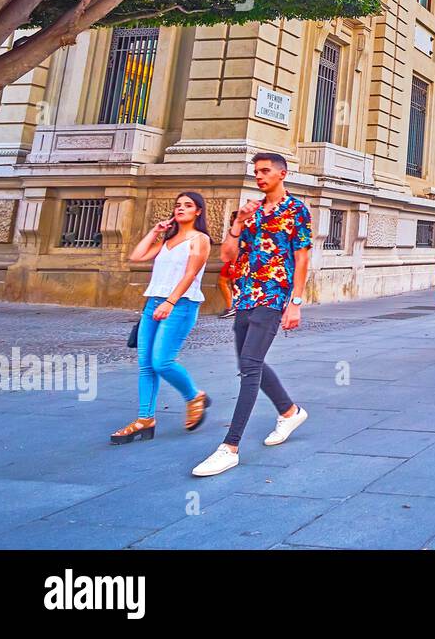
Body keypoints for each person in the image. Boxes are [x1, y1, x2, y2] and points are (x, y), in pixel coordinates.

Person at [193, 153, 310, 477]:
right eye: (256, 171)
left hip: (274, 295)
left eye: (265, 171)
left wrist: (296, 302)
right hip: (246, 294)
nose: (259, 176)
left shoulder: (296, 210)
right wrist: (238, 223)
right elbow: (228, 256)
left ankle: (229, 447)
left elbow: (301, 258)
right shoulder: (252, 211)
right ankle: (289, 411)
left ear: (282, 173)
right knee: (248, 362)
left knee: (250, 368)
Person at [111, 192, 213, 445]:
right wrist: (156, 231)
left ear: (198, 211)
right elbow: (137, 256)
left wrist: (170, 302)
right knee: (146, 364)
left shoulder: (200, 239)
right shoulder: (168, 240)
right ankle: (145, 419)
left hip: (181, 304)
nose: (181, 209)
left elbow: (190, 274)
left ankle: (194, 395)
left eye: (188, 205)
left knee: (162, 362)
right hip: (152, 303)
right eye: (178, 205)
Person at [215, 213, 241, 320]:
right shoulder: (234, 230)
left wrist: (233, 265)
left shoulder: (237, 231)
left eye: (232, 218)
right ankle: (232, 307)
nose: (230, 219)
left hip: (234, 261)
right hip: (232, 261)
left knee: (227, 282)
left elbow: (236, 249)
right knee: (230, 283)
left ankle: (232, 307)